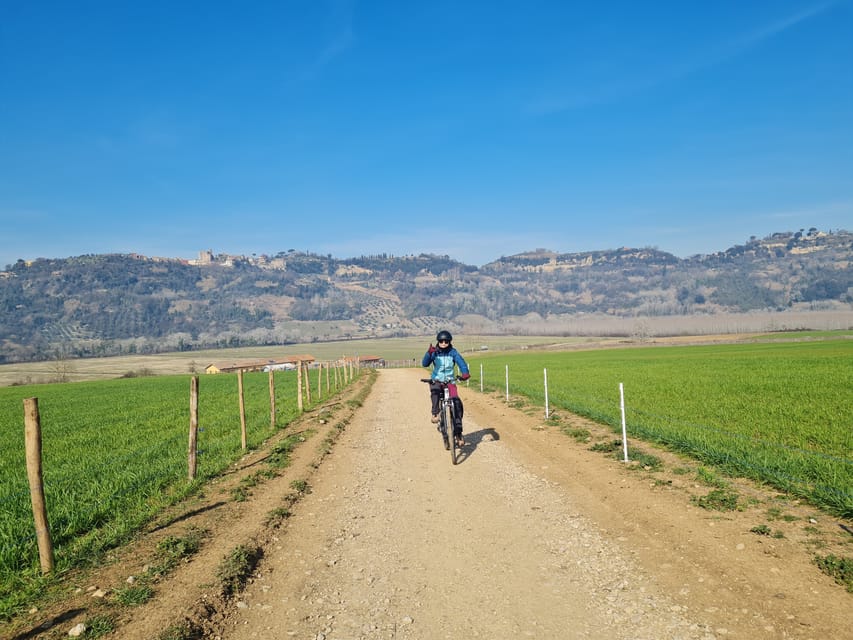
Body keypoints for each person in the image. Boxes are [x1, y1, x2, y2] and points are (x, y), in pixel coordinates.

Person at [422, 330, 470, 446]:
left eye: (446, 341)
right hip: (437, 379)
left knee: (457, 403)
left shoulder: (453, 352)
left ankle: (458, 434)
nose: (443, 343)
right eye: (441, 341)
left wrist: (465, 373)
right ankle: (435, 413)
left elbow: (461, 362)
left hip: (450, 381)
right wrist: (429, 354)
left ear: (449, 342)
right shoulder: (434, 352)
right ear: (438, 341)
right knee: (435, 391)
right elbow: (425, 364)